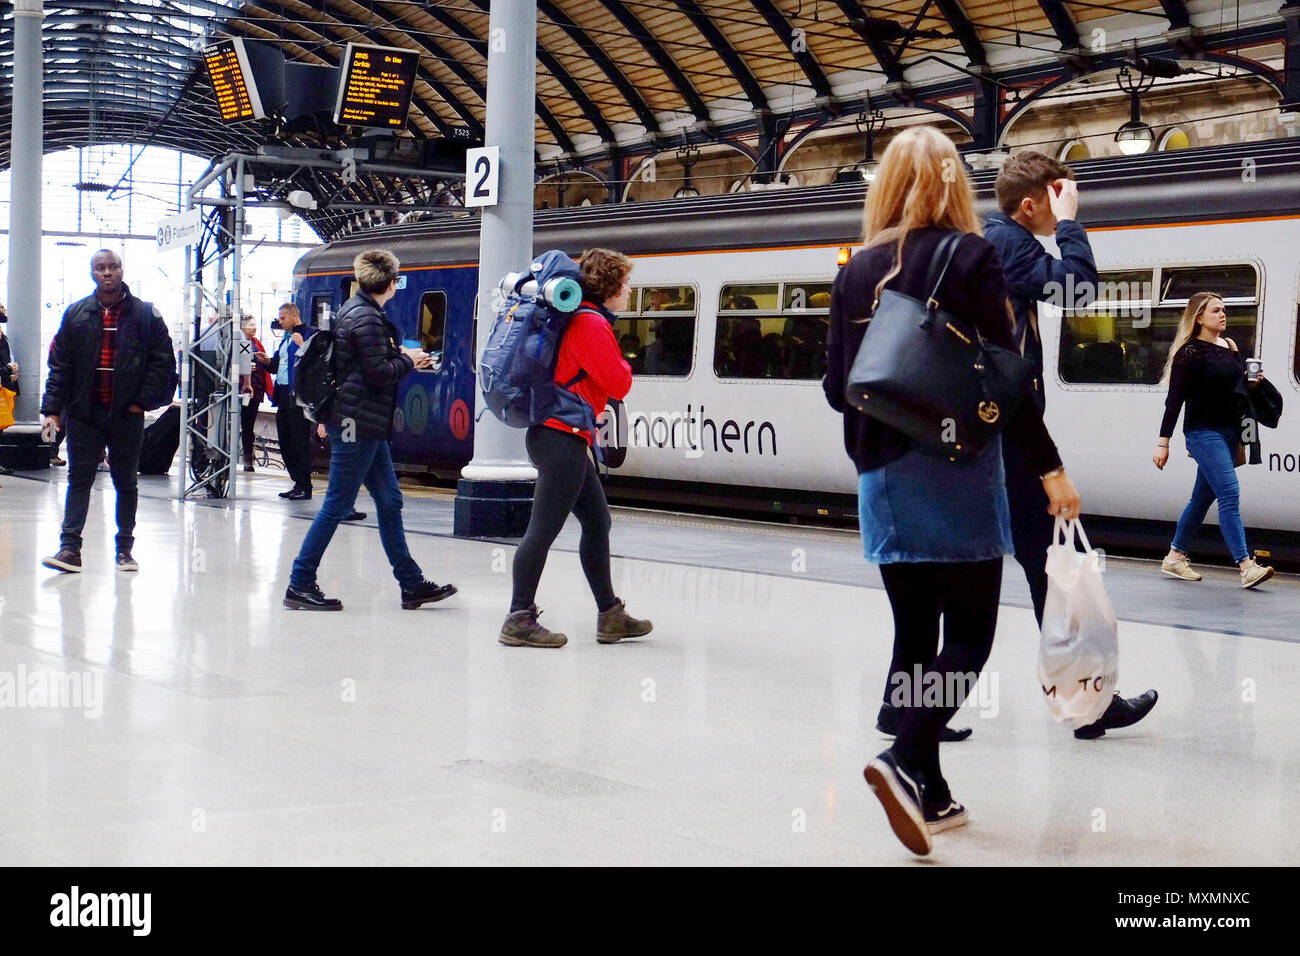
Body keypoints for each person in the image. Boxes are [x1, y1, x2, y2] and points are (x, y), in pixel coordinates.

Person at [824, 127, 1081, 855]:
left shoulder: (856, 267)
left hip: (882, 476)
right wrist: (1050, 467)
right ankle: (904, 758)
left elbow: (836, 387)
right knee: (968, 637)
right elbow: (1008, 378)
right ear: (954, 183)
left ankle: (929, 792)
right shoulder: (971, 255)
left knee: (915, 637)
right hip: (956, 470)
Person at [985, 149, 1157, 742]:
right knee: (1047, 570)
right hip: (1009, 439)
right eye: (1056, 197)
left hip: (1000, 437)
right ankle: (1089, 705)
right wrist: (1070, 224)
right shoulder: (1009, 244)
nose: (1063, 206)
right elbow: (1081, 290)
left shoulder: (998, 240)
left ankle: (908, 708)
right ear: (1031, 203)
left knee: (1010, 571)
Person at [284, 249, 455, 611]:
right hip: (356, 424)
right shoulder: (368, 318)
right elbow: (379, 373)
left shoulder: (356, 311)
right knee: (337, 504)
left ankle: (411, 585)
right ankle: (299, 583)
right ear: (392, 285)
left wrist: (401, 358)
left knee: (390, 501)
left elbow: (367, 367)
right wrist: (409, 360)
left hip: (364, 424)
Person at [498, 248, 652, 648]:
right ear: (612, 287)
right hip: (560, 440)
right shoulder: (590, 324)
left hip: (561, 436)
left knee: (598, 522)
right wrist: (627, 364)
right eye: (627, 283)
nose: (630, 289)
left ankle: (610, 615)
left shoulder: (581, 317)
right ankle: (518, 618)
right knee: (541, 532)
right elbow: (619, 384)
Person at [39, 249, 176, 573]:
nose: (107, 272)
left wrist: (140, 402)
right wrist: (52, 410)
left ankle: (125, 550)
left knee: (126, 481)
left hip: (126, 415)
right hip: (84, 414)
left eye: (113, 266)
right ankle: (70, 549)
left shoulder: (145, 315)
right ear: (92, 273)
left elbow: (163, 363)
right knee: (78, 480)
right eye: (100, 268)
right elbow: (60, 366)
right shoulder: (76, 314)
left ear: (122, 270)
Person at [1154, 291, 1274, 588]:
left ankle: (1174, 557)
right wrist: (1163, 441)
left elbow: (1233, 390)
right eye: (1216, 311)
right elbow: (1174, 400)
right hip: (1202, 433)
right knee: (1229, 494)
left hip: (1229, 432)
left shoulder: (1229, 346)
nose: (1223, 314)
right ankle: (1247, 566)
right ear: (1199, 318)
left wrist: (1252, 383)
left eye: (1224, 310)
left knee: (1200, 500)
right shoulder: (1189, 353)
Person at [256, 302, 316, 499]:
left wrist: (303, 346)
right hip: (282, 394)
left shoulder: (309, 334)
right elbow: (277, 365)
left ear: (293, 316)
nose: (280, 322)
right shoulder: (285, 339)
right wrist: (266, 362)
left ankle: (305, 485)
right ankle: (297, 481)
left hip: (298, 397)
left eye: (283, 318)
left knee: (299, 441)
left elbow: (316, 361)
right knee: (286, 440)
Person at [241, 314, 272, 472]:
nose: (254, 328)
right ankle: (244, 457)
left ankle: (248, 457)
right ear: (242, 326)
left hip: (255, 392)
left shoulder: (256, 344)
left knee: (248, 426)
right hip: (241, 389)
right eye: (251, 325)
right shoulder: (239, 343)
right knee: (240, 425)